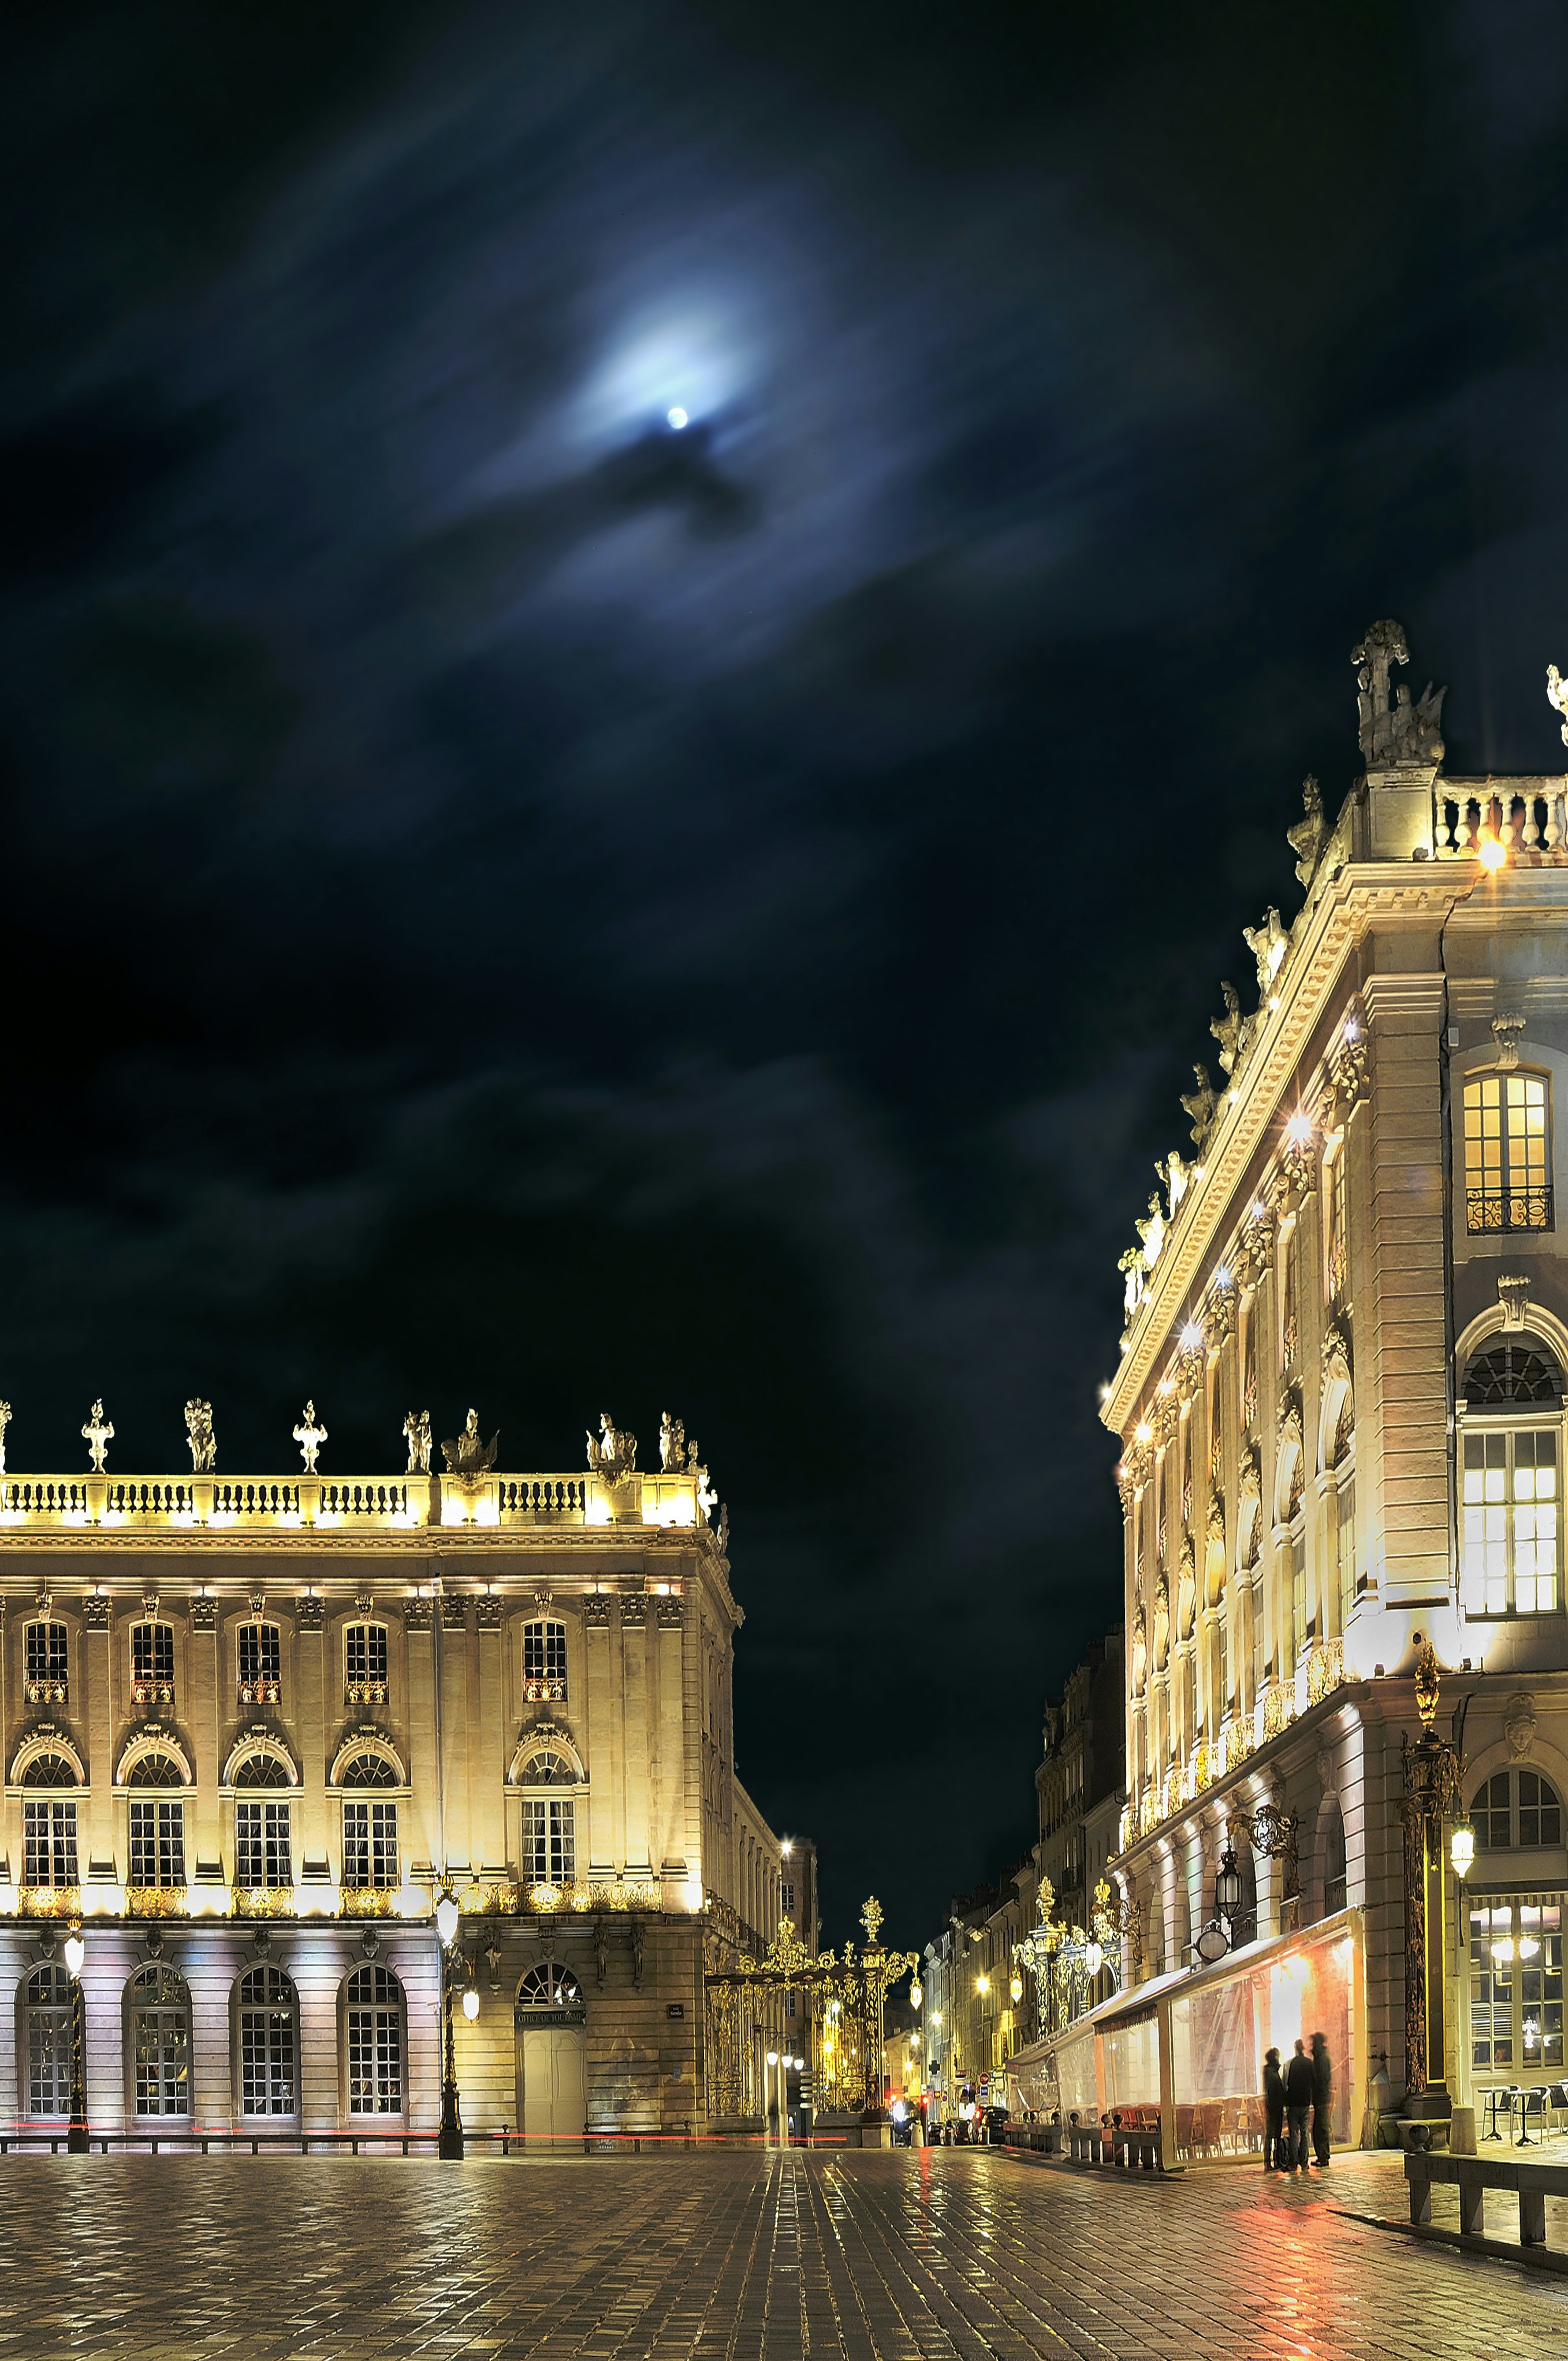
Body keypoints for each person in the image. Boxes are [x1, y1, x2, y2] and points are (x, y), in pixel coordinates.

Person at [1283, 2037, 1315, 2171]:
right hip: (1305, 2102)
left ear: (1295, 2049)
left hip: (1293, 2102)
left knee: (1294, 2133)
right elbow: (1314, 2082)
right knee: (1305, 2131)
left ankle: (1293, 2161)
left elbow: (1286, 2083)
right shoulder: (1309, 2063)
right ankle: (1304, 2161)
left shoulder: (1290, 2064)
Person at [1310, 2031, 1332, 2166]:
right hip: (1320, 2098)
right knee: (1319, 2128)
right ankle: (1322, 2156)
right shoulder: (1320, 2058)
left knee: (1321, 2128)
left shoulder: (1321, 2059)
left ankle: (1324, 2157)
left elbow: (1322, 2080)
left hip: (1321, 2098)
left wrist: (1318, 2092)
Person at [1262, 2046, 1286, 2171]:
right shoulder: (1271, 2072)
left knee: (1276, 2134)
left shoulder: (1270, 2071)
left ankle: (1275, 2160)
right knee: (1272, 2134)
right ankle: (1270, 2160)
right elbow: (1276, 2089)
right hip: (1274, 2107)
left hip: (1274, 2106)